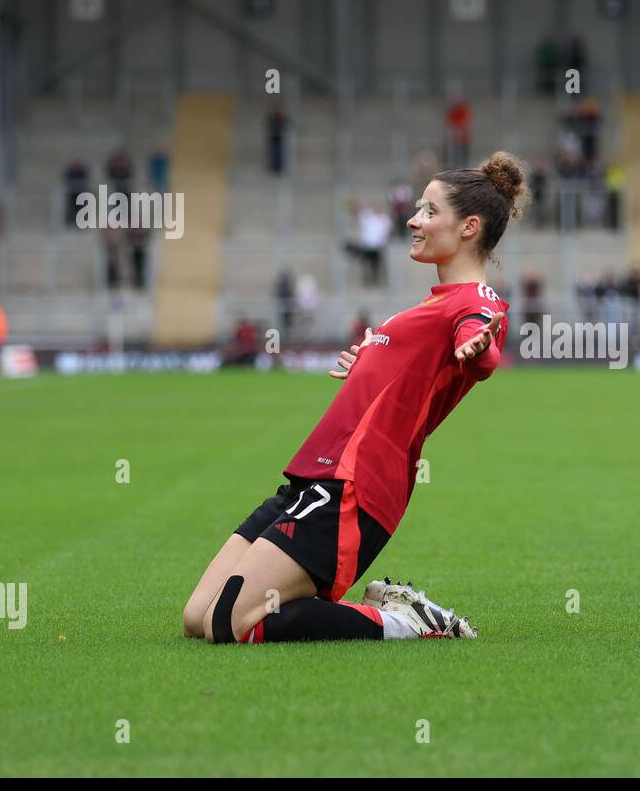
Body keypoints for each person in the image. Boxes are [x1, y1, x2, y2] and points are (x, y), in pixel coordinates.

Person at [182, 152, 526, 644]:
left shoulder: (477, 301)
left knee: (228, 624)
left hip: (355, 487)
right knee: (199, 618)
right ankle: (340, 604)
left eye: (429, 211)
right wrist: (366, 368)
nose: (413, 220)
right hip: (316, 475)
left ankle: (403, 621)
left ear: (469, 227)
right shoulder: (433, 302)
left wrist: (477, 348)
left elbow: (482, 349)